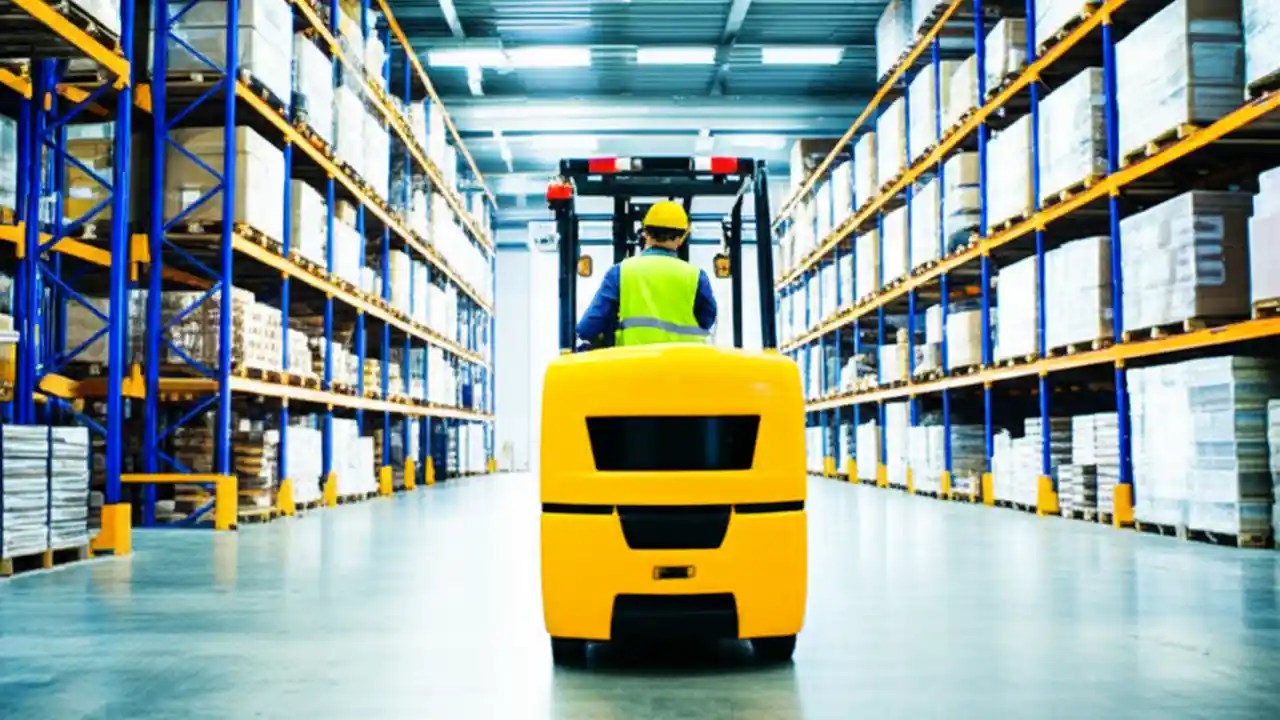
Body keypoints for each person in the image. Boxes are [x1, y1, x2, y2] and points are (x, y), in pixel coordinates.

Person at [576, 201, 718, 348]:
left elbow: (590, 325)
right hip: (683, 365)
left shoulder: (621, 272)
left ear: (645, 232)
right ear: (682, 237)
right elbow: (707, 320)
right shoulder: (695, 276)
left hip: (634, 364)